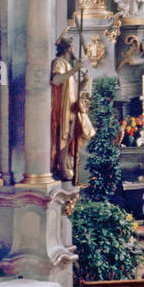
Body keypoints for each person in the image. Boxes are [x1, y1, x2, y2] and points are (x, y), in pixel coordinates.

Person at [51, 37, 95, 182]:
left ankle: (67, 163)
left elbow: (72, 89)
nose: (75, 50)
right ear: (68, 48)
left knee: (76, 134)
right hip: (62, 107)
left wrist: (84, 82)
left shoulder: (68, 65)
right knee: (65, 136)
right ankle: (62, 166)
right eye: (74, 47)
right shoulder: (59, 62)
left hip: (72, 106)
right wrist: (75, 69)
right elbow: (56, 80)